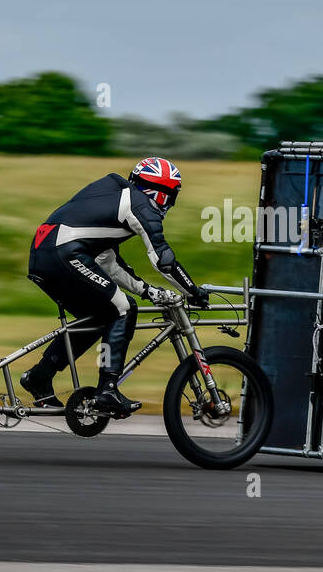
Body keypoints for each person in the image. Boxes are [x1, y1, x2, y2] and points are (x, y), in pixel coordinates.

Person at [21, 157, 209, 416]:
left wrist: (147, 291)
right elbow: (163, 260)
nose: (168, 205)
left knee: (100, 316)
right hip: (64, 253)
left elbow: (107, 261)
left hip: (47, 254)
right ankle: (107, 390)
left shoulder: (115, 195)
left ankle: (39, 377)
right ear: (160, 194)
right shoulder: (141, 205)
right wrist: (193, 292)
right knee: (123, 308)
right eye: (170, 198)